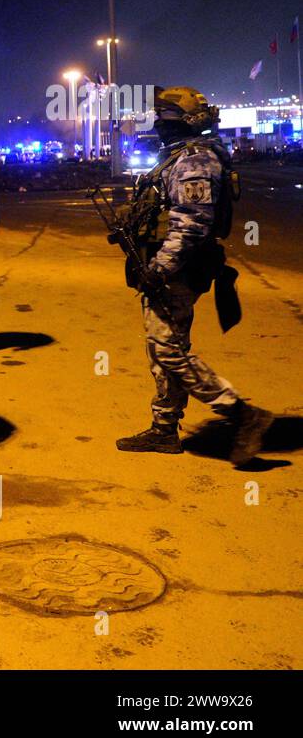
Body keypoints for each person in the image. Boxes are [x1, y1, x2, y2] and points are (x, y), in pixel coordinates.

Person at [114, 87, 273, 465]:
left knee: (169, 350)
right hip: (170, 268)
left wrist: (159, 269)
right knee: (161, 348)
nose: (157, 125)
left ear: (186, 122)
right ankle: (164, 428)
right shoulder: (178, 158)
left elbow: (191, 225)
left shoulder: (195, 163)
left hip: (179, 271)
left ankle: (242, 414)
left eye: (165, 119)